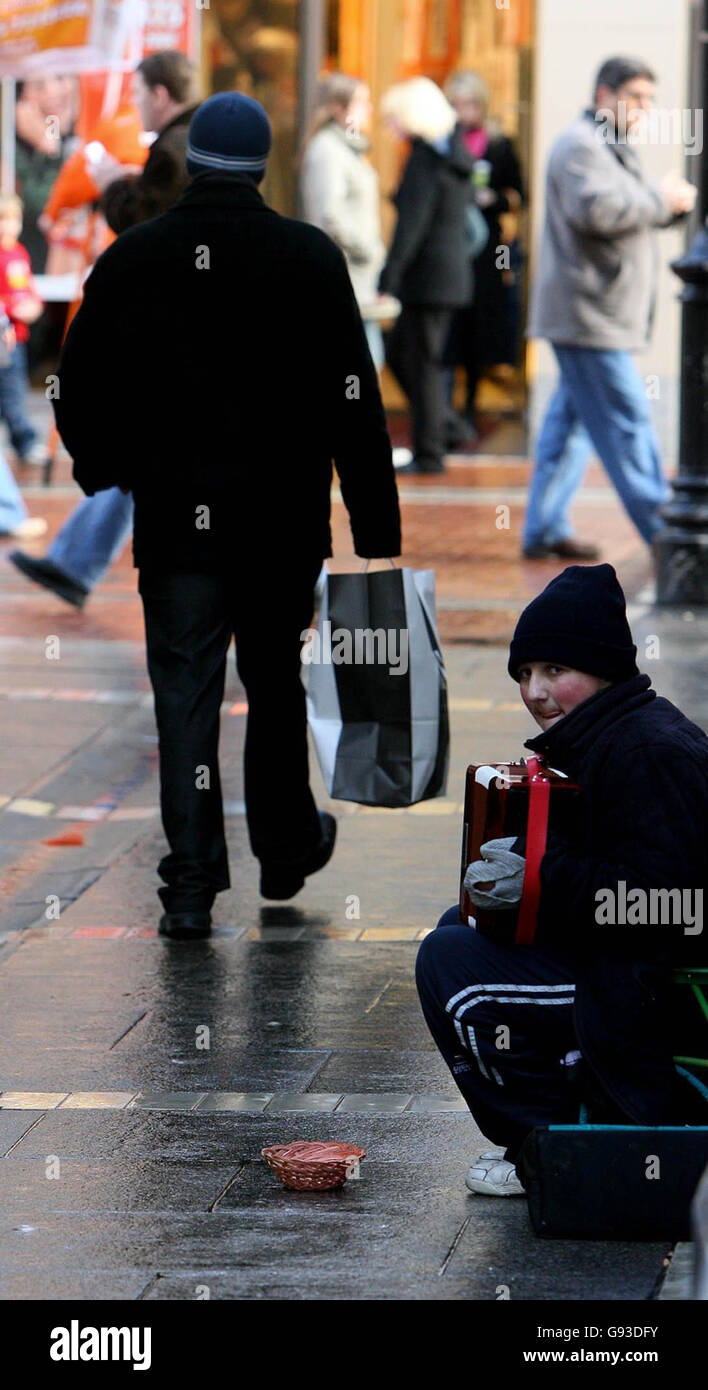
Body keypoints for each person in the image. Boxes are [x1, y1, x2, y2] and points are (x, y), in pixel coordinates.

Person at [52, 92, 401, 942]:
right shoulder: (308, 259)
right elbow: (354, 402)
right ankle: (284, 847)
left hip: (176, 528)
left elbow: (77, 383)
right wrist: (375, 529)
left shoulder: (135, 257)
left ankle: (190, 883)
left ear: (193, 161)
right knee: (275, 684)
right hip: (281, 526)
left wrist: (108, 467)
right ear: (263, 166)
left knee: (184, 697)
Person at [416, 564, 708, 1197]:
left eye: (555, 671)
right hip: (621, 956)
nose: (535, 692)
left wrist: (540, 876)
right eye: (524, 674)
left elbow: (667, 905)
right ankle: (551, 1126)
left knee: (449, 965)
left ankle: (550, 1142)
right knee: (458, 927)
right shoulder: (607, 736)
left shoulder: (648, 751)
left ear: (605, 670)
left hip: (658, 985)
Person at [9, 50, 199, 610]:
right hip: (176, 324)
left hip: (179, 326)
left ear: (161, 94)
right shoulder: (185, 140)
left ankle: (286, 564)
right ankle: (75, 561)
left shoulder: (174, 144)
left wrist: (113, 183)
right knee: (152, 445)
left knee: (180, 449)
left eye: (140, 93)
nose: (135, 103)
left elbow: (154, 223)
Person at [523, 56, 696, 562]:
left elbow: (622, 210)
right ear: (604, 94)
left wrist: (664, 206)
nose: (644, 109)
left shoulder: (606, 145)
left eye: (649, 99)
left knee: (570, 427)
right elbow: (597, 210)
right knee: (627, 424)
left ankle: (544, 527)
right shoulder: (582, 145)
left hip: (594, 312)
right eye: (636, 97)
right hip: (587, 316)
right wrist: (661, 201)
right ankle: (671, 545)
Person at [379, 77, 476, 475]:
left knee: (418, 361)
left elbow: (412, 226)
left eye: (394, 119)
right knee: (415, 358)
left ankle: (431, 450)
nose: (390, 128)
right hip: (449, 276)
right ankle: (445, 428)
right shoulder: (452, 154)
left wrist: (388, 279)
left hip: (428, 279)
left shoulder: (424, 158)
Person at [443, 70, 524, 435]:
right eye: (456, 105)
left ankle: (471, 405)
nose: (463, 113)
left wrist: (495, 200)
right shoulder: (442, 143)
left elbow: (519, 195)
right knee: (449, 328)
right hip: (450, 244)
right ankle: (445, 409)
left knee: (478, 323)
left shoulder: (499, 144)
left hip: (487, 248)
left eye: (470, 104)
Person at [0, 193, 46, 465]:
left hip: (15, 341)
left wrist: (34, 305)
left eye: (11, 218)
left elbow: (27, 289)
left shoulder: (19, 252)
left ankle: (25, 442)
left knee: (14, 392)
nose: (6, 226)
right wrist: (9, 308)